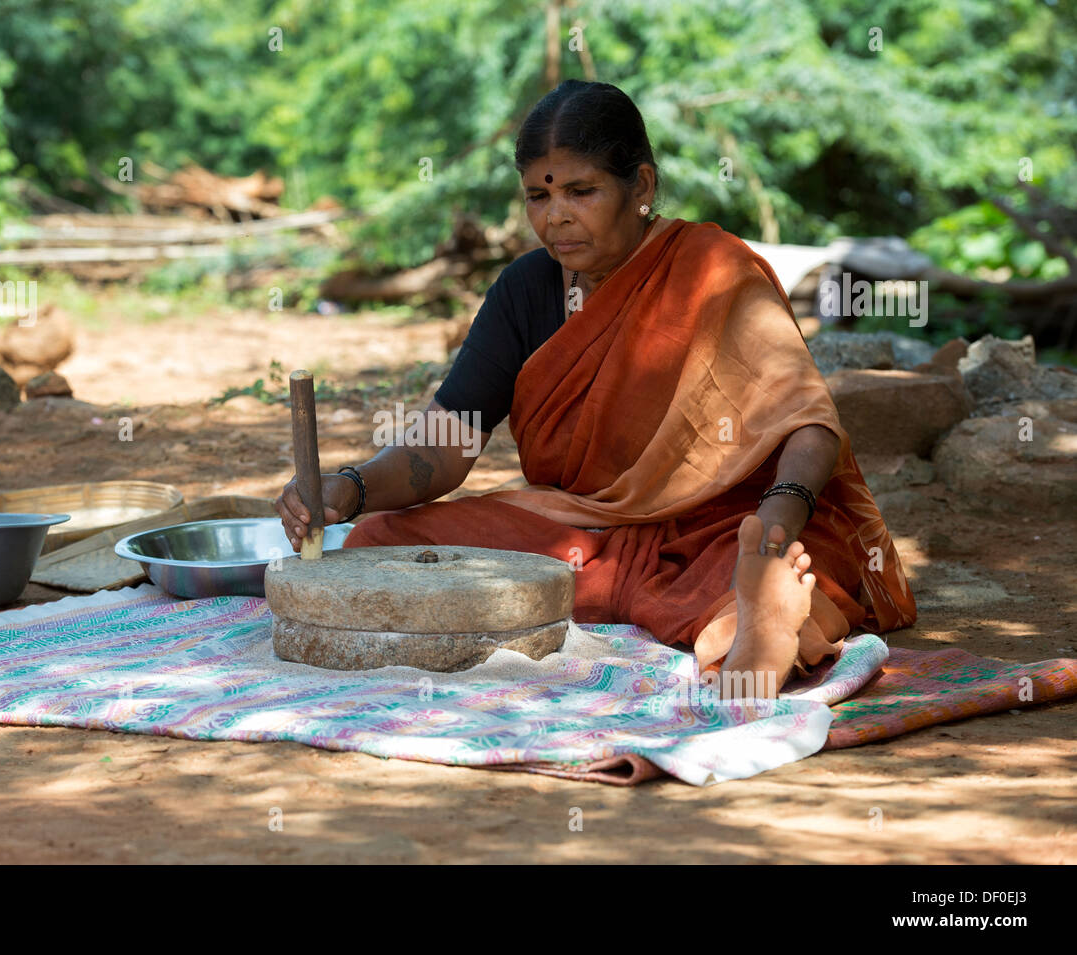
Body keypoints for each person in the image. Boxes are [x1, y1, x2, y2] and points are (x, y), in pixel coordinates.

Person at [275, 79, 916, 698]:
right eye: (537, 197)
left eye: (581, 192)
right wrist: (351, 488)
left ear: (640, 185)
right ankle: (736, 612)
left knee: (790, 574)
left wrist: (775, 530)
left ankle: (760, 620)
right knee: (383, 542)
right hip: (589, 534)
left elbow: (808, 422)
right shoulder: (525, 290)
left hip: (732, 528)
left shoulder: (713, 273)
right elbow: (447, 442)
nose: (556, 218)